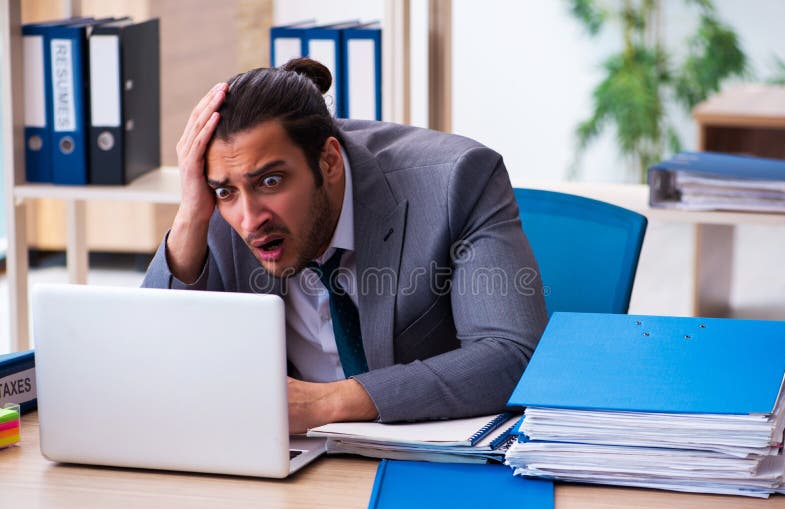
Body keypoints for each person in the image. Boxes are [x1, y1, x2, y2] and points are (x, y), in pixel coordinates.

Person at [143, 58, 548, 434]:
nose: (250, 220)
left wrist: (327, 402)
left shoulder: (457, 182)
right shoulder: (217, 206)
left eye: (271, 182)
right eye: (226, 191)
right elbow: (150, 364)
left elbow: (512, 355)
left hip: (420, 466)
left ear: (330, 161)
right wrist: (191, 216)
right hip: (279, 464)